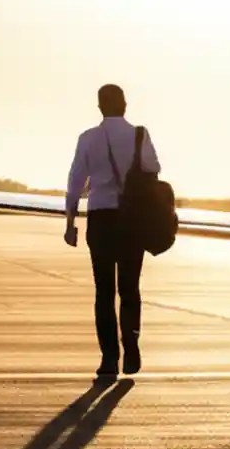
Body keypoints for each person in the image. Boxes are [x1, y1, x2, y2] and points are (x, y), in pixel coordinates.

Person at [64, 84, 161, 380]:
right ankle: (131, 346)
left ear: (99, 107)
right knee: (130, 288)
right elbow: (154, 169)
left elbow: (75, 181)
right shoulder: (140, 136)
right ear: (125, 105)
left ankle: (109, 358)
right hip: (132, 220)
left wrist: (70, 222)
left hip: (101, 218)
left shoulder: (88, 138)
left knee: (104, 291)